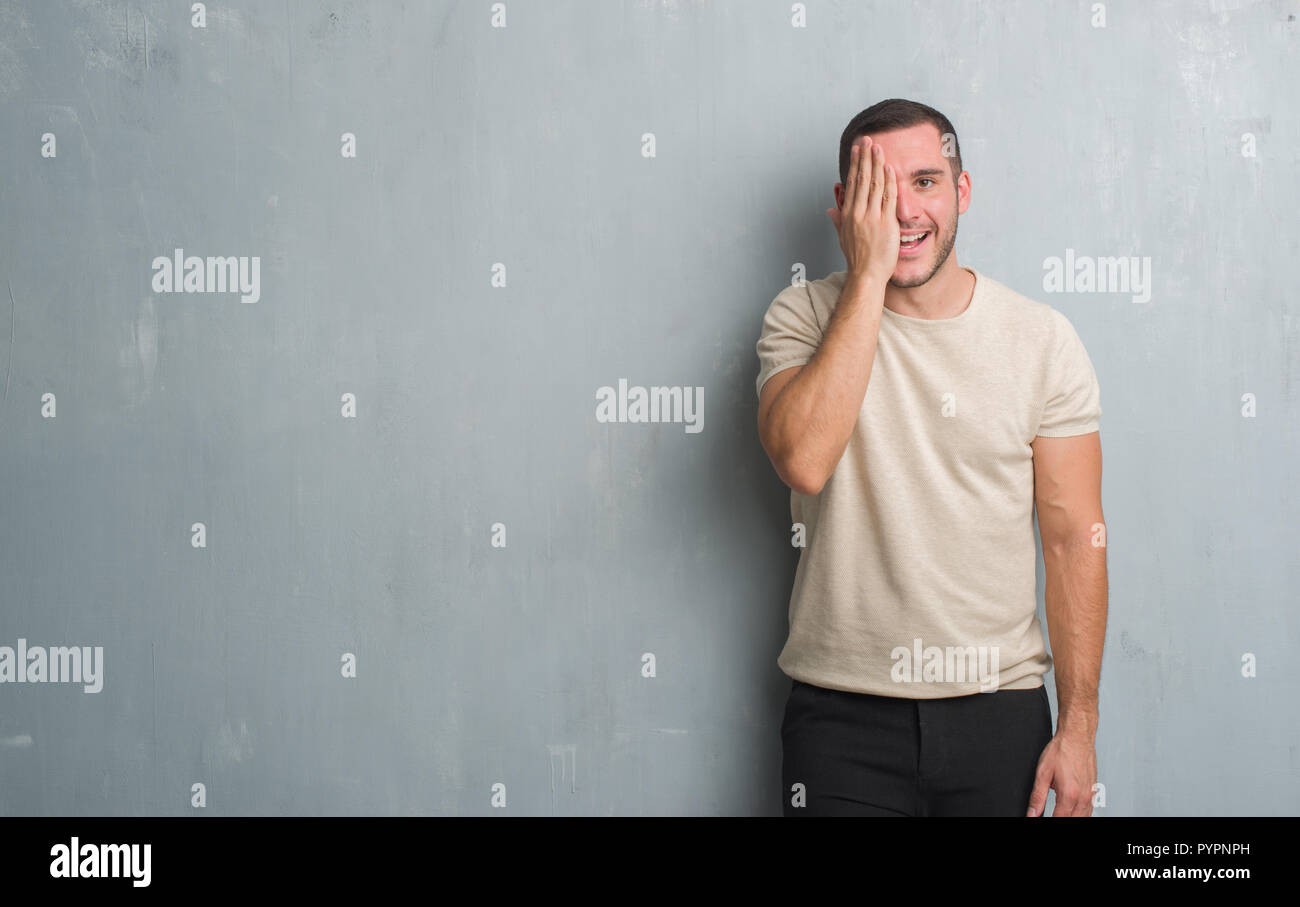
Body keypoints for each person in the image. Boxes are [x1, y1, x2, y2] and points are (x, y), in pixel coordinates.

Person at [755, 99, 1107, 817]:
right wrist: (866, 277)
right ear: (845, 205)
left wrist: (1078, 728)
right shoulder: (800, 316)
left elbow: (1074, 543)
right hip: (841, 719)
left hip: (998, 711)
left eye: (924, 182)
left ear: (962, 191)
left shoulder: (1042, 340)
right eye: (880, 189)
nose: (905, 210)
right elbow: (804, 461)